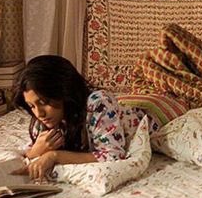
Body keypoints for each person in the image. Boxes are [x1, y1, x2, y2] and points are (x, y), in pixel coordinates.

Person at [13, 54, 153, 180]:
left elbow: (113, 155)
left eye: (43, 102)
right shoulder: (46, 117)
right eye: (31, 106)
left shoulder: (98, 103)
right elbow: (32, 150)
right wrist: (34, 152)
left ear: (63, 91)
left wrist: (54, 156)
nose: (39, 113)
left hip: (149, 117)